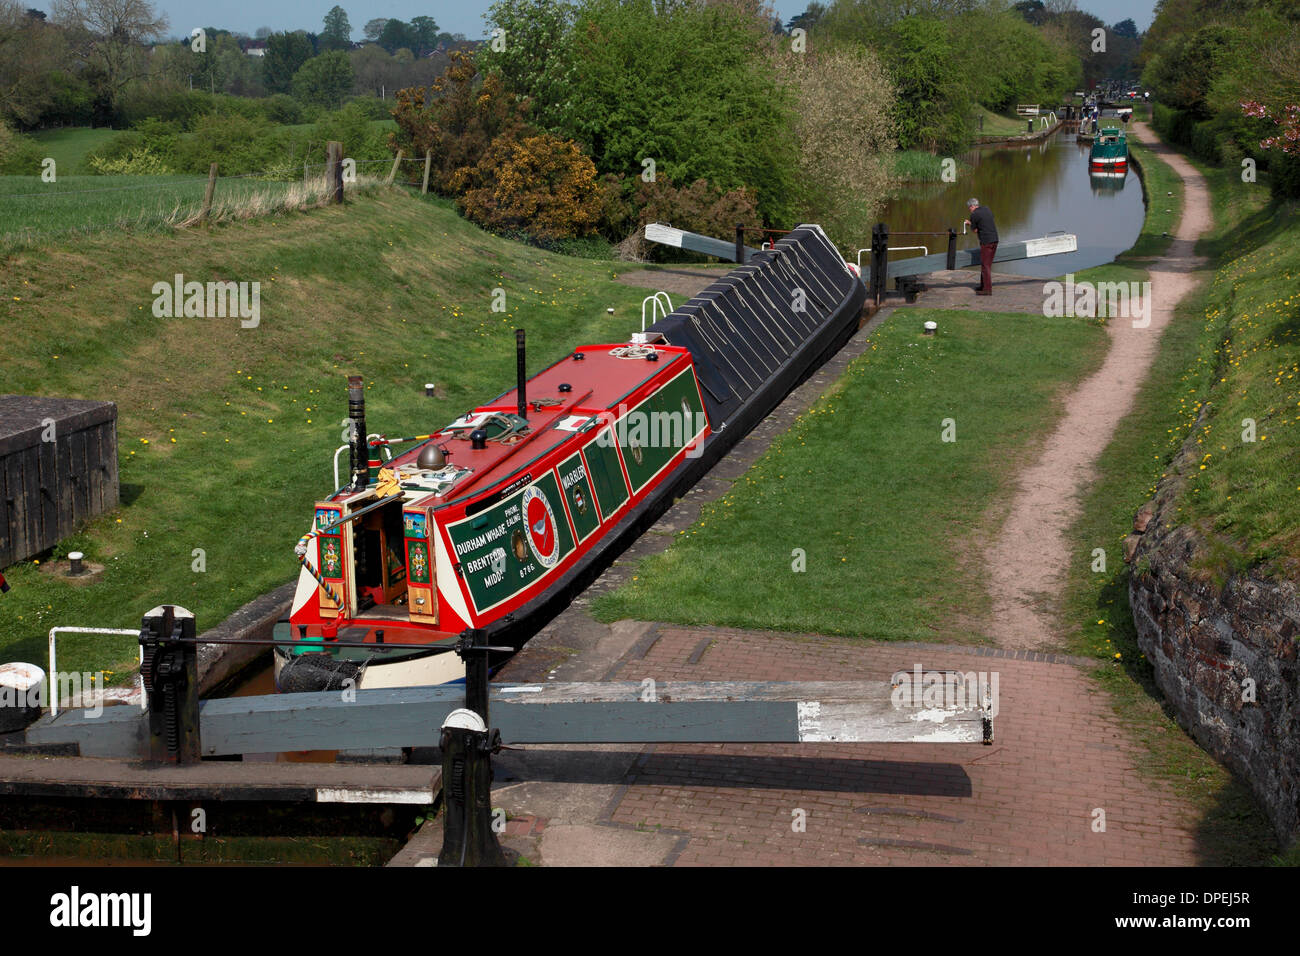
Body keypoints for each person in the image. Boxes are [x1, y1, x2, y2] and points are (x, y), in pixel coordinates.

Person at [963, 198, 998, 296]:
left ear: (972, 206)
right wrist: (974, 223)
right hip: (995, 239)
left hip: (986, 242)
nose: (969, 209)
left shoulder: (974, 214)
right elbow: (986, 222)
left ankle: (987, 290)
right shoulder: (987, 209)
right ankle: (983, 286)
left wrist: (970, 224)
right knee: (987, 264)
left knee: (985, 265)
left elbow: (975, 230)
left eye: (969, 207)